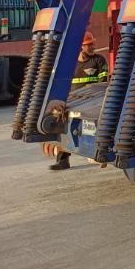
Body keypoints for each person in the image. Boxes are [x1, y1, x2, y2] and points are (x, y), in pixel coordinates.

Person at [49, 31, 108, 171]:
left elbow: (103, 82)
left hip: (93, 102)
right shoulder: (71, 63)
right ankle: (62, 160)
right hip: (73, 101)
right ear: (81, 47)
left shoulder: (99, 60)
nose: (93, 47)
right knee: (63, 129)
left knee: (93, 129)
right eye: (89, 45)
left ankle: (100, 153)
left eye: (93, 44)